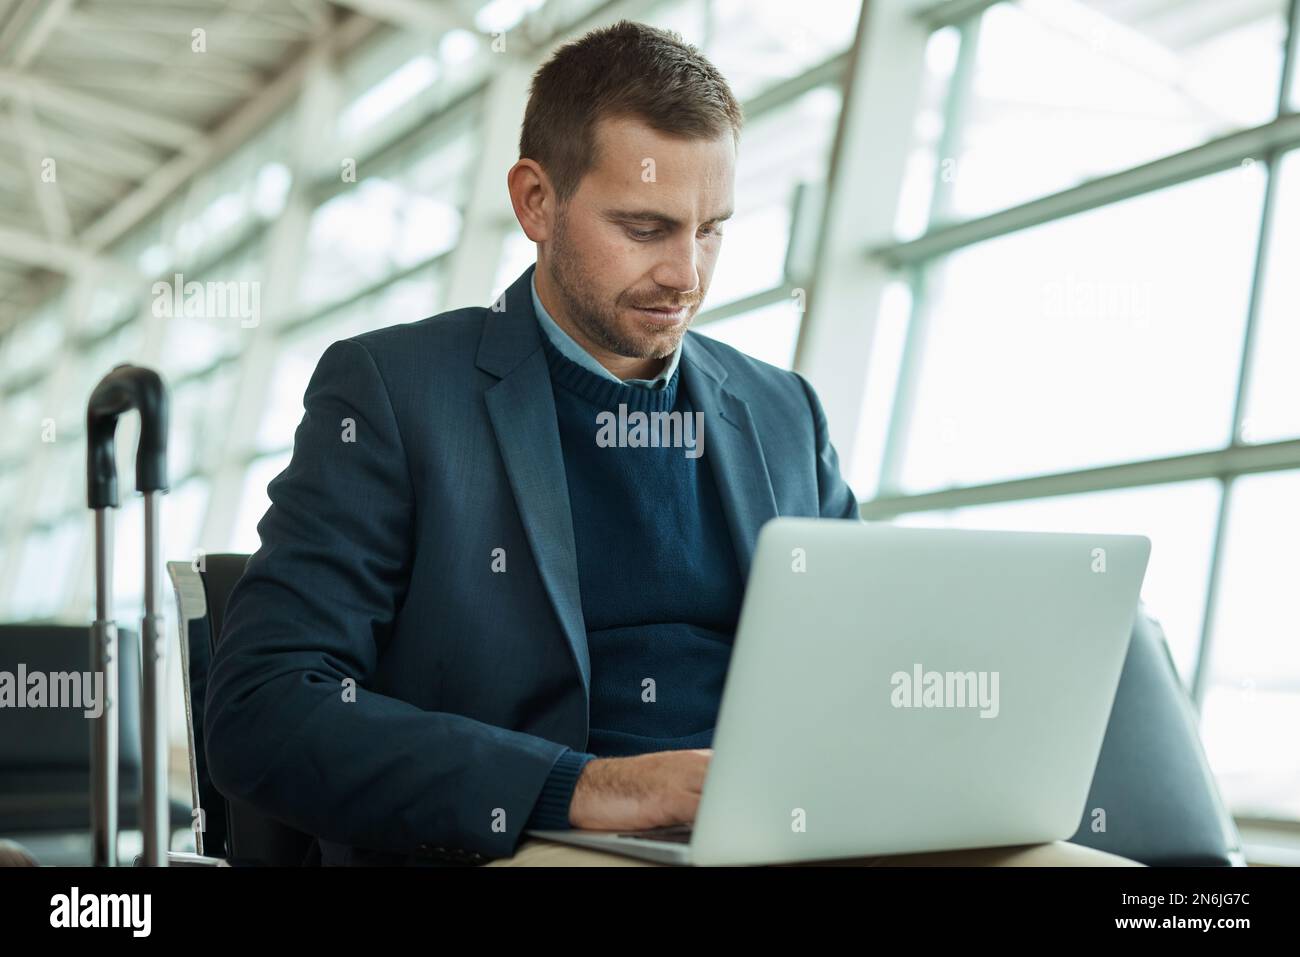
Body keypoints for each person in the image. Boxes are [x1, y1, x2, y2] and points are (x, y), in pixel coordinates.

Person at [204, 19, 1138, 868]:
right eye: (643, 227)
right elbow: (264, 708)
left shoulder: (783, 413)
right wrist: (588, 786)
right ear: (536, 201)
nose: (685, 275)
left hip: (786, 833)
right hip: (534, 838)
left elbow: (870, 662)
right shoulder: (398, 393)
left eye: (712, 230)